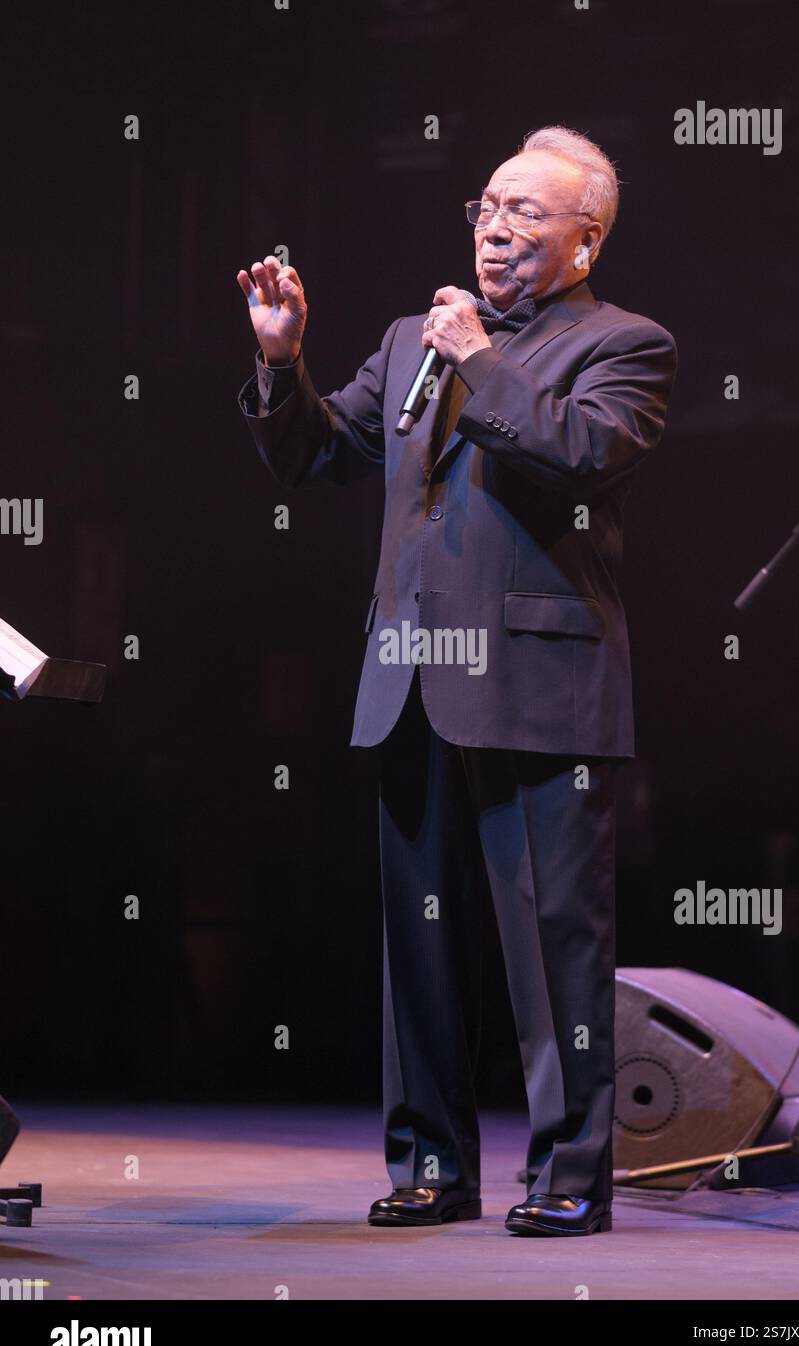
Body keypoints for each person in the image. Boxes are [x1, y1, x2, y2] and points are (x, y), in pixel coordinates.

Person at [237, 125, 677, 1236]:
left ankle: (569, 1176)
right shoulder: (410, 338)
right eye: (485, 205)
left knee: (551, 949)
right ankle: (433, 1165)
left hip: (540, 687)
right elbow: (321, 453)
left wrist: (477, 356)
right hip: (411, 680)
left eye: (525, 213)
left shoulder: (625, 345)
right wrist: (281, 361)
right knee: (420, 947)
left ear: (584, 241)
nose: (493, 226)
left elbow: (579, 453)